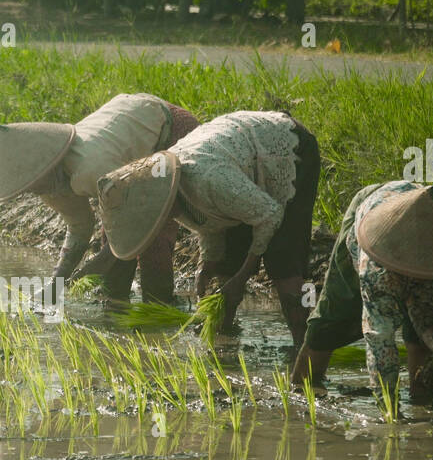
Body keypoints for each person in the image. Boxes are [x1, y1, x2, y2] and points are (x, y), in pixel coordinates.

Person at [95, 110, 321, 345]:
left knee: (287, 265)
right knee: (224, 270)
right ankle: (224, 342)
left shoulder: (208, 179)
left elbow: (270, 216)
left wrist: (242, 278)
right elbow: (209, 221)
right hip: (239, 169)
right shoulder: (168, 186)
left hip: (287, 149)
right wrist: (207, 264)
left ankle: (306, 344)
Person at [288, 181, 433, 402]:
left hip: (415, 217)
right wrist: (390, 411)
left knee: (418, 338)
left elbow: (425, 315)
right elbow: (380, 340)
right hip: (371, 218)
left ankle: (422, 399)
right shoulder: (377, 269)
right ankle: (302, 390)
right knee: (334, 315)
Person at [0, 93, 199, 305]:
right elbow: (79, 226)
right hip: (125, 161)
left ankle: (159, 314)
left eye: (32, 183)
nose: (32, 191)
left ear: (46, 167)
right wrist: (56, 284)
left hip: (169, 131)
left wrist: (96, 265)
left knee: (154, 241)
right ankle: (116, 309)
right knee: (111, 248)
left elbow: (140, 219)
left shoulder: (91, 166)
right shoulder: (49, 186)